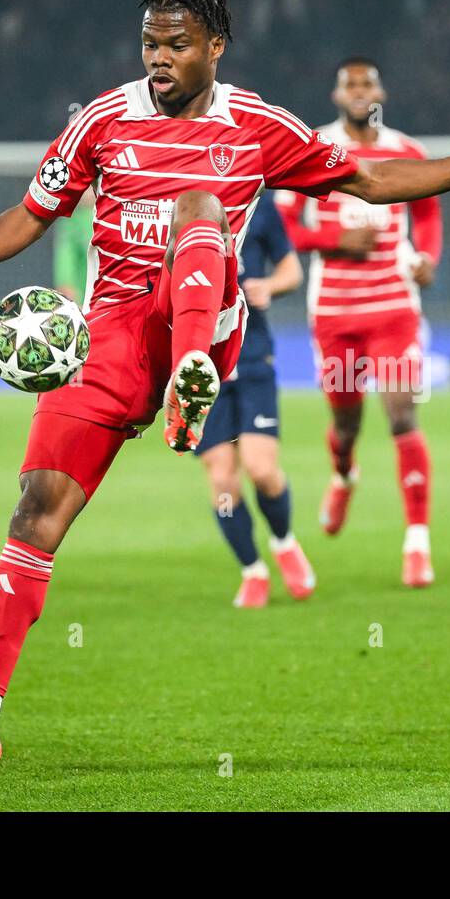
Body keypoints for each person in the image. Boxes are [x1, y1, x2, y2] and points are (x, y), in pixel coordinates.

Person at [0, 0, 450, 775]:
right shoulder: (101, 121)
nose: (158, 59)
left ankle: (191, 377)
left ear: (215, 46)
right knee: (35, 513)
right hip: (110, 339)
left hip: (207, 329)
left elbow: (371, 181)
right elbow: (31, 214)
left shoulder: (257, 126)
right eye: (150, 44)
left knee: (199, 209)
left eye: (176, 44)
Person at [277, 58, 443, 588]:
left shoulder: (406, 151)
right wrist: (335, 241)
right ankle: (344, 472)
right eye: (350, 83)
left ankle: (417, 542)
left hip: (394, 307)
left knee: (401, 417)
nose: (359, 90)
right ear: (336, 93)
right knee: (346, 425)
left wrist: (427, 258)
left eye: (367, 82)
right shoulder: (313, 149)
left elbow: (429, 212)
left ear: (381, 92)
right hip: (336, 313)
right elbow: (285, 230)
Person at [194, 197, 315, 608]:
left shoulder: (260, 209)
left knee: (262, 469)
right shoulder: (174, 208)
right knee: (223, 481)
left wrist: (271, 286)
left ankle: (283, 541)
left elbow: (291, 270)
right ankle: (253, 570)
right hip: (200, 367)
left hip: (252, 354)